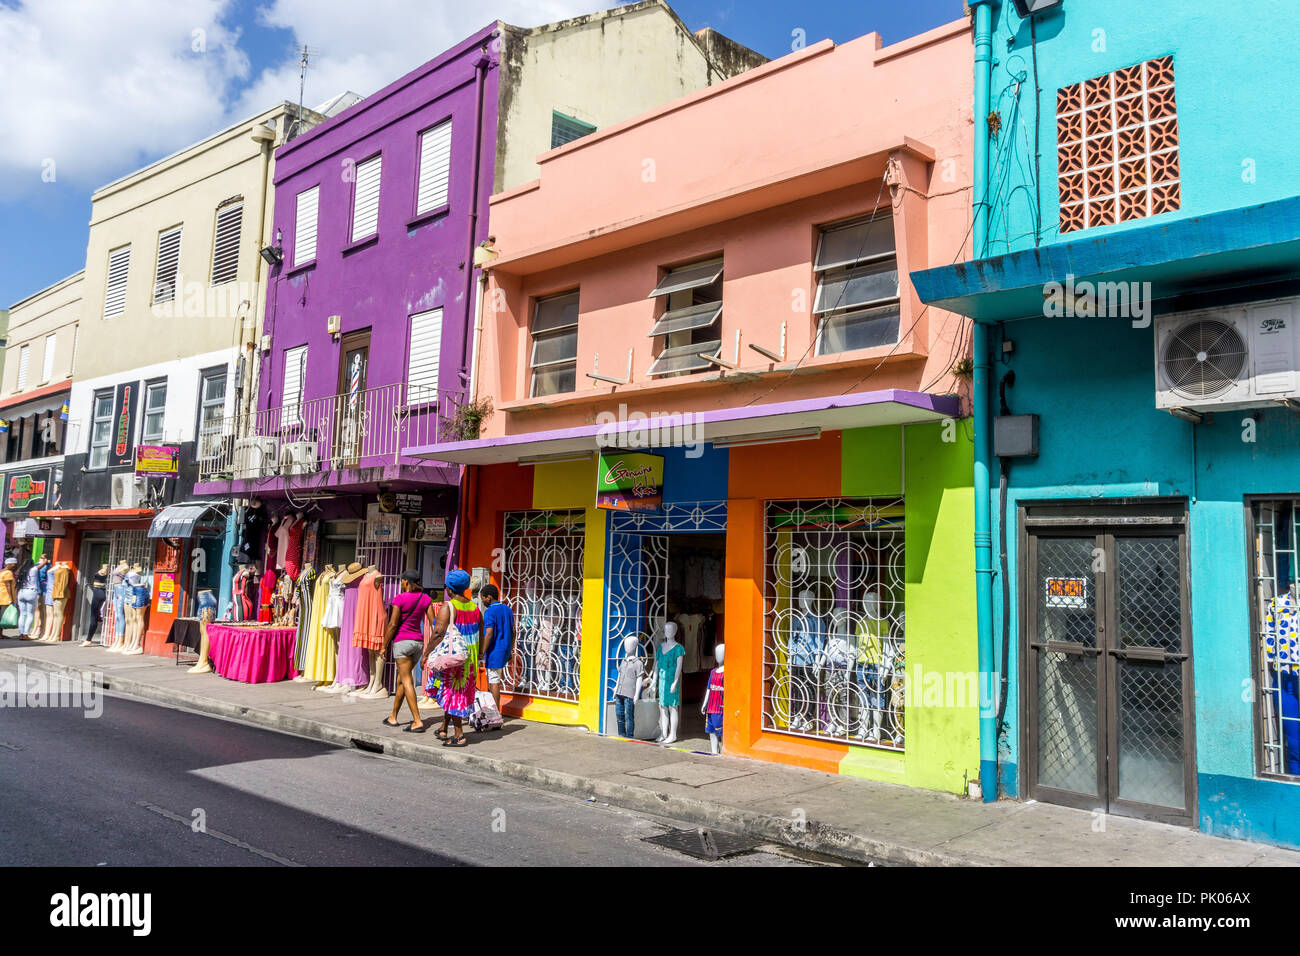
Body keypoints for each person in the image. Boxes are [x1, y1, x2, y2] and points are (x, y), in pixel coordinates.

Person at [427, 569, 480, 747]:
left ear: (450, 589)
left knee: (454, 694)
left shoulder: (448, 607)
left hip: (454, 659)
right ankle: (443, 727)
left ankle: (459, 735)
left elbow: (438, 633)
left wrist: (426, 654)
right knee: (452, 693)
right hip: (469, 658)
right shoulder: (474, 607)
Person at [383, 570, 435, 733]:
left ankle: (417, 721)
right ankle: (393, 716)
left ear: (405, 582)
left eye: (402, 581)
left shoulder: (399, 598)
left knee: (406, 680)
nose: (401, 583)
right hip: (418, 644)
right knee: (401, 680)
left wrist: (384, 645)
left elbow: (392, 625)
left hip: (402, 642)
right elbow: (433, 622)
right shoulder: (425, 598)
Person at [479, 583, 514, 717]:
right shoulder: (507, 609)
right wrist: (510, 649)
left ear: (488, 597)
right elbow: (513, 631)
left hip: (495, 651)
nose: (482, 601)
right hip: (504, 650)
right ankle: (493, 712)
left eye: (482, 598)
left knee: (494, 682)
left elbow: (489, 633)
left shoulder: (489, 612)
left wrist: (482, 651)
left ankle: (494, 715)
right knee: (494, 679)